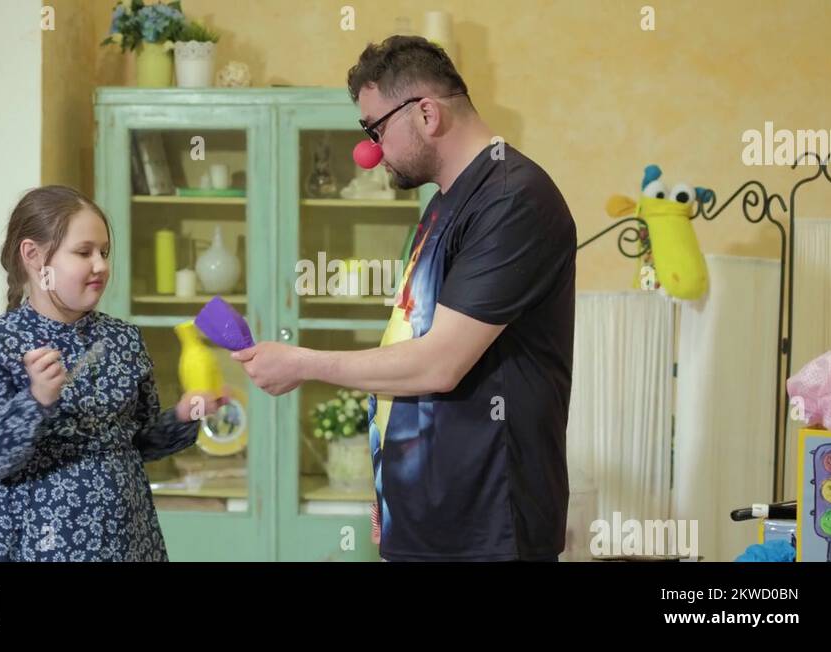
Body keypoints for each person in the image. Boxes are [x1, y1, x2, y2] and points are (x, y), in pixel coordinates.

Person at [232, 36, 578, 562]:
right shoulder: (444, 203)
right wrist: (390, 482)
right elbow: (406, 339)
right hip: (429, 513)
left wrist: (302, 363)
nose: (369, 151)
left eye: (375, 128)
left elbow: (440, 364)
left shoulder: (514, 200)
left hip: (488, 525)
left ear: (426, 113)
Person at [0, 185, 223, 561]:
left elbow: (141, 444)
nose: (100, 264)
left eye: (104, 252)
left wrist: (184, 415)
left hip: (129, 543)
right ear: (33, 256)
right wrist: (36, 401)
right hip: (37, 548)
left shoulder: (124, 339)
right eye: (83, 252)